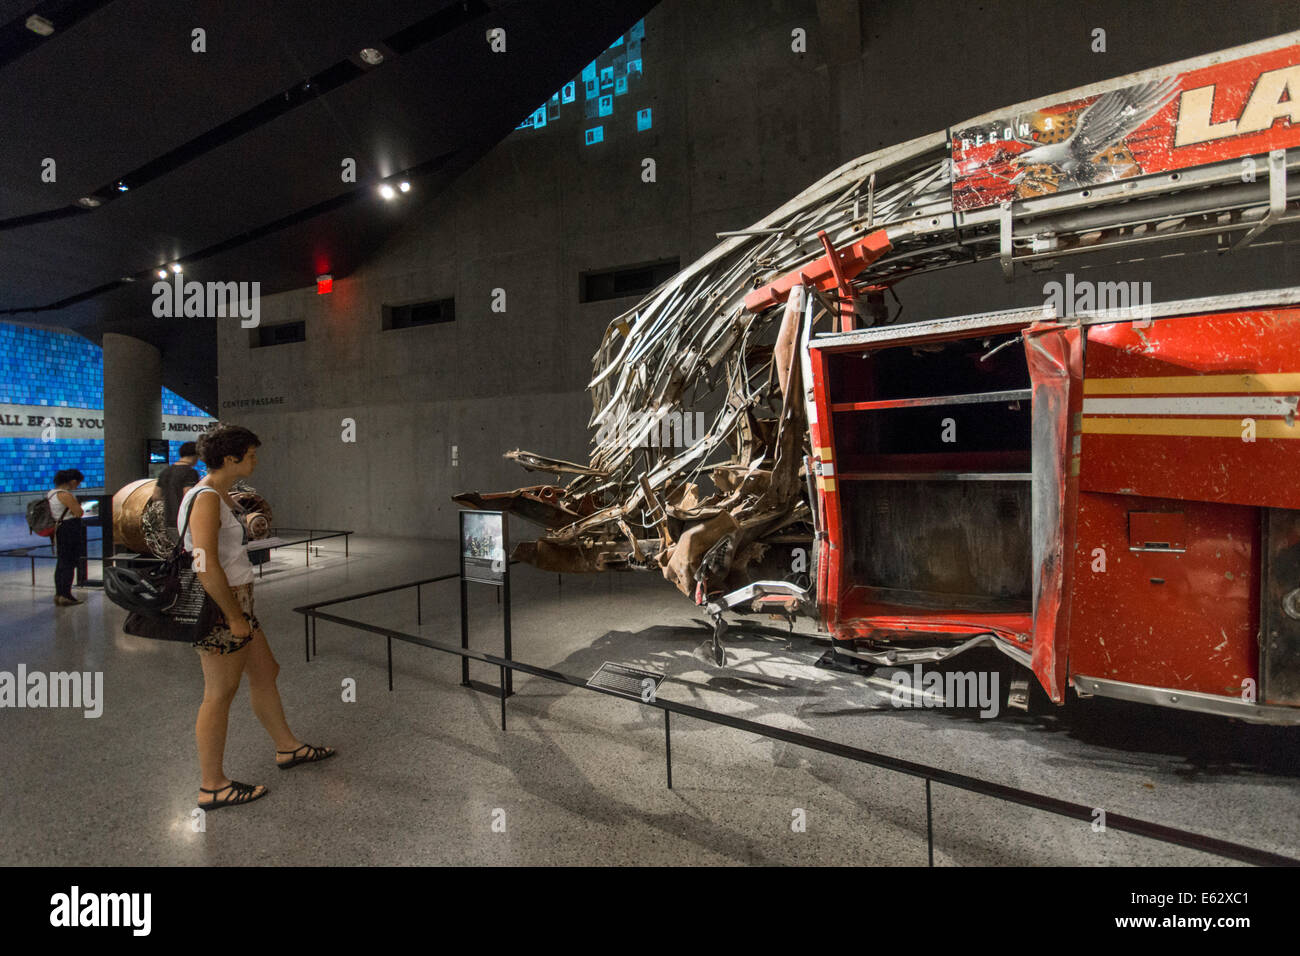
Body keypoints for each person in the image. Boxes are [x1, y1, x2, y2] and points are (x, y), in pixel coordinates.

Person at [180, 424, 334, 811]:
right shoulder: (206, 498)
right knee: (218, 695)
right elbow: (204, 562)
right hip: (223, 606)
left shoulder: (218, 494)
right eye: (250, 454)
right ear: (231, 458)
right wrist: (233, 616)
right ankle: (212, 785)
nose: (256, 460)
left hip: (239, 603)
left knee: (266, 673)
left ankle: (288, 747)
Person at [48, 469, 85, 606]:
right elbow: (79, 512)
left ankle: (59, 594)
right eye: (78, 483)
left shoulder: (51, 494)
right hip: (69, 529)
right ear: (73, 481)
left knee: (62, 563)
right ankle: (66, 595)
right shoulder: (65, 495)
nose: (78, 486)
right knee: (69, 563)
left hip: (59, 528)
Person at [152, 441, 201, 529]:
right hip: (185, 521)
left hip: (169, 522)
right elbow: (189, 496)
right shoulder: (190, 472)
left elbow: (156, 496)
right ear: (196, 455)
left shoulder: (165, 471)